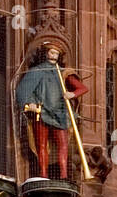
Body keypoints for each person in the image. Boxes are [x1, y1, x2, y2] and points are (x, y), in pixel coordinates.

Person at [15, 39, 88, 179]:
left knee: (63, 145)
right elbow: (22, 91)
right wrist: (29, 103)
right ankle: (43, 174)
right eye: (52, 52)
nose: (54, 56)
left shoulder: (64, 73)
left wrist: (72, 94)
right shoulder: (37, 71)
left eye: (56, 53)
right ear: (46, 53)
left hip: (60, 114)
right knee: (41, 145)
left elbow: (82, 88)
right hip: (41, 113)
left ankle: (64, 174)